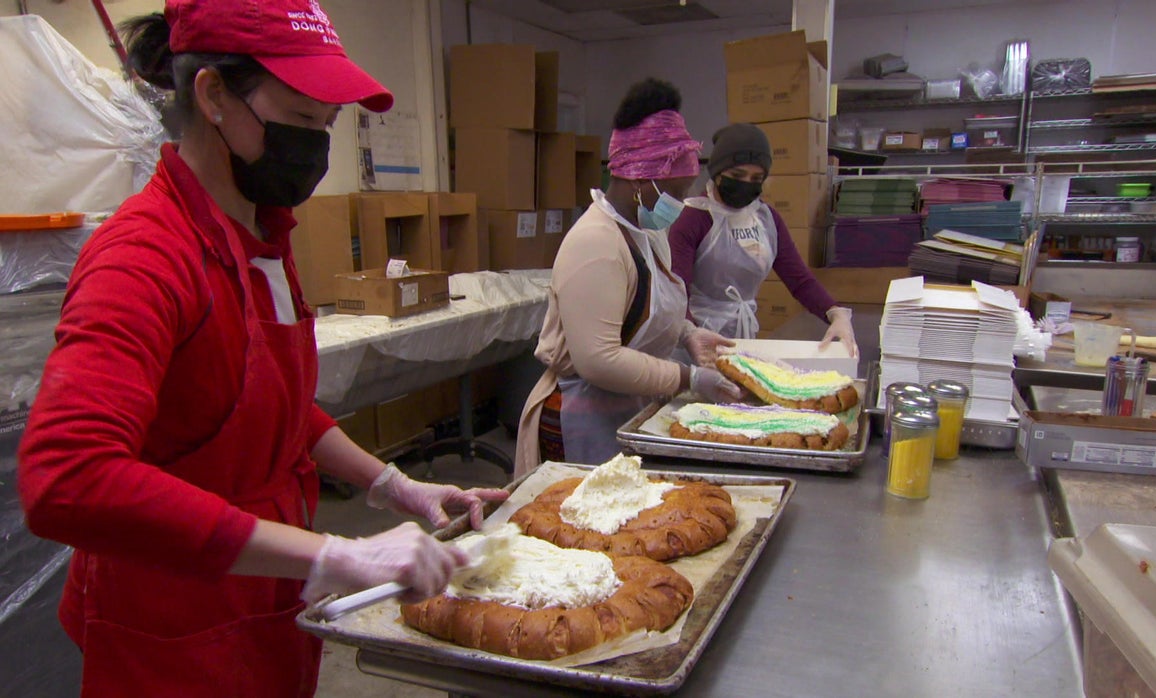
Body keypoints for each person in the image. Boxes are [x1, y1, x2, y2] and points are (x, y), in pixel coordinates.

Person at [16, 2, 506, 695]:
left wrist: (391, 485)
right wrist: (335, 554)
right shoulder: (143, 256)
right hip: (172, 619)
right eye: (303, 122)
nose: (316, 146)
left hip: (267, 594)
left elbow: (271, 405)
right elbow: (67, 480)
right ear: (214, 94)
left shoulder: (263, 238)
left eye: (327, 127)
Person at [515, 78, 741, 476]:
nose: (682, 203)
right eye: (675, 190)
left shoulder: (647, 233)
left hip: (624, 407)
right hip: (581, 417)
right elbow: (599, 360)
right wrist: (689, 378)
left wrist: (687, 334)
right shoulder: (595, 243)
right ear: (640, 180)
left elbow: (642, 306)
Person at [669, 123, 858, 356]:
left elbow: (799, 280)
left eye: (756, 177)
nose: (746, 183)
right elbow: (675, 292)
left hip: (744, 337)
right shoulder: (693, 219)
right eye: (737, 175)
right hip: (694, 338)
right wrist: (691, 334)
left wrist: (834, 312)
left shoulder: (766, 220)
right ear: (717, 173)